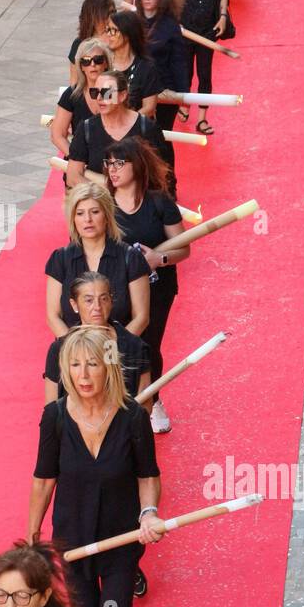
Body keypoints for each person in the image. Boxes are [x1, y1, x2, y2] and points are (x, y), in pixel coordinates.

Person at [28, 327, 162, 607]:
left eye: (92, 364)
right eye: (74, 365)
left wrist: (148, 512)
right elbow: (43, 479)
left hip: (120, 536)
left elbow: (147, 474)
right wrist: (32, 535)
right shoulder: (54, 418)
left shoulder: (133, 417)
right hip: (72, 537)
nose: (83, 375)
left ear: (109, 367)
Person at [105, 138, 189, 434]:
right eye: (108, 164)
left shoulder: (158, 201)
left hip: (157, 287)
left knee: (148, 343)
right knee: (115, 343)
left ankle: (152, 401)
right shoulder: (102, 201)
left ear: (136, 166)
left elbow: (184, 248)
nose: (112, 170)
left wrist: (158, 258)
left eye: (119, 163)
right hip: (114, 288)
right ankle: (115, 401)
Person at [45, 183, 150, 338]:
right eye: (80, 213)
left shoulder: (131, 257)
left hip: (117, 353)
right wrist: (77, 349)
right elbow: (53, 316)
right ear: (73, 219)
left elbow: (141, 318)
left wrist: (108, 348)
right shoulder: (60, 258)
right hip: (73, 355)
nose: (87, 219)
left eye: (94, 212)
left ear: (107, 216)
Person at [43, 273, 151, 407]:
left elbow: (145, 407)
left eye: (104, 299)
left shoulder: (135, 346)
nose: (97, 307)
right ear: (74, 304)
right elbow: (50, 407)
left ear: (111, 301)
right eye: (89, 300)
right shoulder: (59, 349)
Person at [167, 0, 229, 135]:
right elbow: (166, 3)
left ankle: (202, 118)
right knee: (184, 75)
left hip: (207, 30)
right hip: (183, 33)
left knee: (205, 74)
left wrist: (223, 17)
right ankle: (184, 104)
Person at [65, 72, 171, 191]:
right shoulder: (86, 128)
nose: (99, 98)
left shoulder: (146, 128)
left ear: (122, 95)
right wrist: (105, 197)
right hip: (102, 204)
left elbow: (162, 174)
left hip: (137, 204)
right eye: (95, 93)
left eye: (106, 93)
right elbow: (73, 177)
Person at [132, 0, 189, 145]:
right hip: (138, 91)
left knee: (162, 139)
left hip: (165, 91)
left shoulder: (170, 25)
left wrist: (182, 96)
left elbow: (179, 62)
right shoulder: (132, 22)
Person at [50, 39, 113, 160]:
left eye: (98, 60)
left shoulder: (113, 91)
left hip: (110, 162)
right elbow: (57, 135)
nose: (92, 65)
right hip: (79, 161)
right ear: (81, 67)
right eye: (86, 61)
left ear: (106, 63)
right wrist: (77, 158)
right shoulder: (72, 94)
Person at [101, 9, 161, 116]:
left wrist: (126, 123)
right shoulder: (103, 64)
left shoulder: (146, 67)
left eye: (113, 30)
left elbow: (149, 107)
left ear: (127, 33)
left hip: (135, 129)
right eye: (107, 30)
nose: (109, 35)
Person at [66, 0, 116, 85]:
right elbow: (74, 81)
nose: (110, 18)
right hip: (88, 93)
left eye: (113, 12)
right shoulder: (79, 44)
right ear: (92, 16)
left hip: (112, 90)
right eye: (106, 14)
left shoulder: (118, 38)